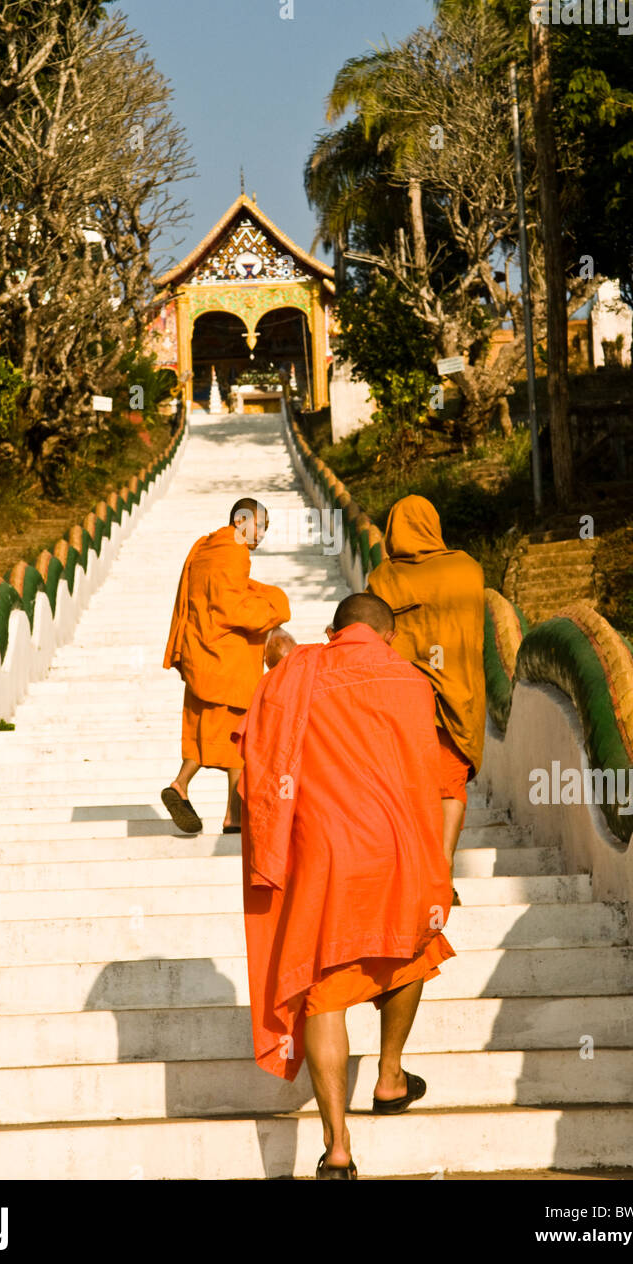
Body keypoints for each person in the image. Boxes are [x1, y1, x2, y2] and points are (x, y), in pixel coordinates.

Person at [235, 591, 454, 1180]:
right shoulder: (411, 680)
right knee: (414, 954)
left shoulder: (304, 670)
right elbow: (434, 777)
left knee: (321, 988)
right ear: (387, 635)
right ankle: (388, 1075)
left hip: (324, 854)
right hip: (398, 847)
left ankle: (337, 1149)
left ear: (333, 630)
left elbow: (261, 735)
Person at [366, 495, 485, 903]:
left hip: (402, 704)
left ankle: (409, 874)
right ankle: (443, 868)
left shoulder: (382, 578)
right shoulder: (467, 569)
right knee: (449, 786)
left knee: (407, 788)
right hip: (456, 696)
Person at [162, 498, 290, 835]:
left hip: (203, 655)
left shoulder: (204, 547)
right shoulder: (233, 551)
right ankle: (182, 785)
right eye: (260, 526)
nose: (262, 534)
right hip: (228, 662)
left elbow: (204, 598)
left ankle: (232, 815)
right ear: (241, 519)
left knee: (224, 736)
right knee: (236, 734)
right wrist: (276, 606)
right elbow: (232, 607)